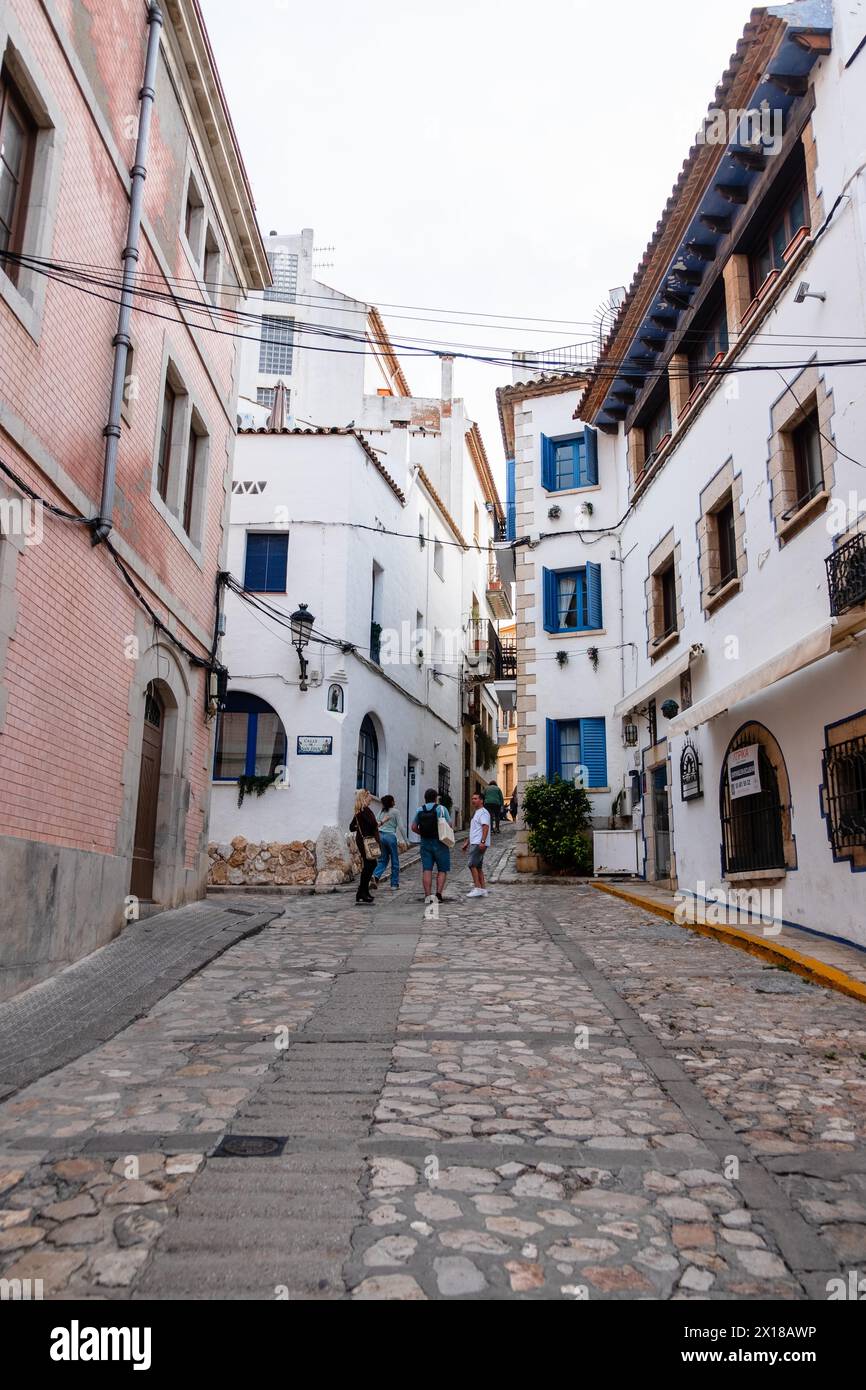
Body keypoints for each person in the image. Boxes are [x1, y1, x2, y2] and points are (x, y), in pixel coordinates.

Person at [411, 787, 451, 904]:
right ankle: (438, 894)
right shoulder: (442, 809)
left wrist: (422, 833)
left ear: (425, 798)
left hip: (425, 843)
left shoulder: (419, 810)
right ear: (436, 798)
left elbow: (413, 827)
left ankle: (427, 896)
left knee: (427, 869)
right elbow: (449, 825)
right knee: (442, 869)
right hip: (440, 843)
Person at [349, 788, 380, 905]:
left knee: (370, 864)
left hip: (364, 840)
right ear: (364, 798)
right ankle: (362, 892)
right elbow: (373, 824)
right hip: (366, 841)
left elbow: (352, 827)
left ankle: (363, 892)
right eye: (369, 795)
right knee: (370, 864)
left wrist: (359, 826)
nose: (371, 797)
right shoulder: (365, 810)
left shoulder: (359, 811)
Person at [372, 793, 405, 890]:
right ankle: (394, 884)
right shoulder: (395, 812)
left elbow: (376, 823)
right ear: (391, 802)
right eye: (393, 800)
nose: (395, 802)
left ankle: (375, 876)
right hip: (390, 837)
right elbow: (401, 827)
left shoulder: (381, 812)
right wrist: (406, 840)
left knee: (382, 860)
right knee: (395, 861)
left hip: (381, 836)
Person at [462, 791, 491, 897]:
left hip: (478, 843)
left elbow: (485, 827)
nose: (473, 800)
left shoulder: (483, 812)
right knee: (478, 866)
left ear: (481, 800)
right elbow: (475, 830)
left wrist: (482, 842)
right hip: (475, 842)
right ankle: (483, 889)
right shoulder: (477, 812)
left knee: (471, 864)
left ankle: (477, 888)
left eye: (475, 798)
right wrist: (467, 842)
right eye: (472, 798)